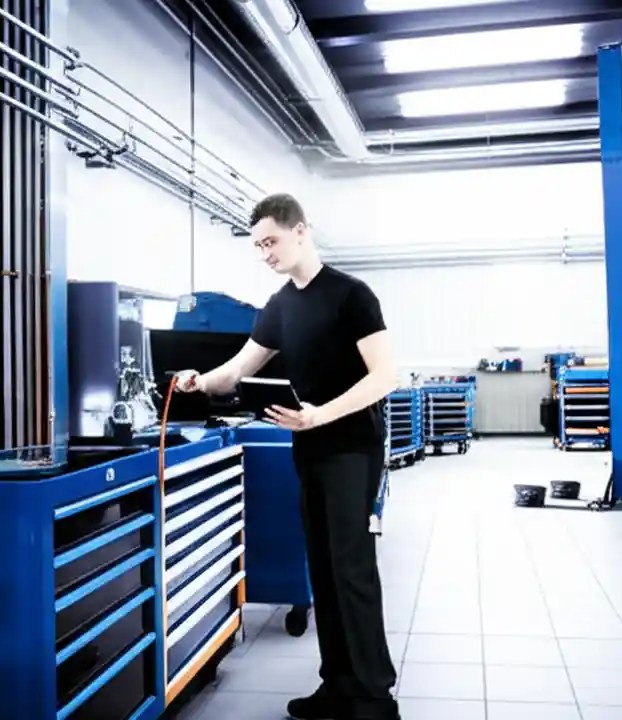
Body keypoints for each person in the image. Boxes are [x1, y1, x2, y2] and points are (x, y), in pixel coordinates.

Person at [174, 193, 401, 720]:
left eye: (271, 241)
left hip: (351, 449)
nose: (265, 253)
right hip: (310, 448)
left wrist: (322, 414)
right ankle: (338, 686)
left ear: (301, 230)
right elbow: (236, 371)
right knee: (322, 568)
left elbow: (384, 376)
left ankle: (373, 697)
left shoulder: (352, 295)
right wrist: (197, 381)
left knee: (352, 571)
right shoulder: (280, 305)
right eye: (257, 246)